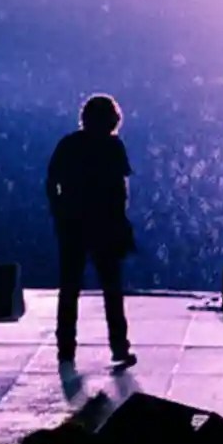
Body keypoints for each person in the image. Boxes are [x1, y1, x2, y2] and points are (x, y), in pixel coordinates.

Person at [46, 94, 136, 367]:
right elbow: (120, 191)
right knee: (111, 289)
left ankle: (65, 348)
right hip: (105, 225)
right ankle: (118, 347)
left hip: (72, 224)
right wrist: (121, 223)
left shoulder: (69, 144)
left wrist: (60, 211)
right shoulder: (113, 146)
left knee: (70, 288)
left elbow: (52, 182)